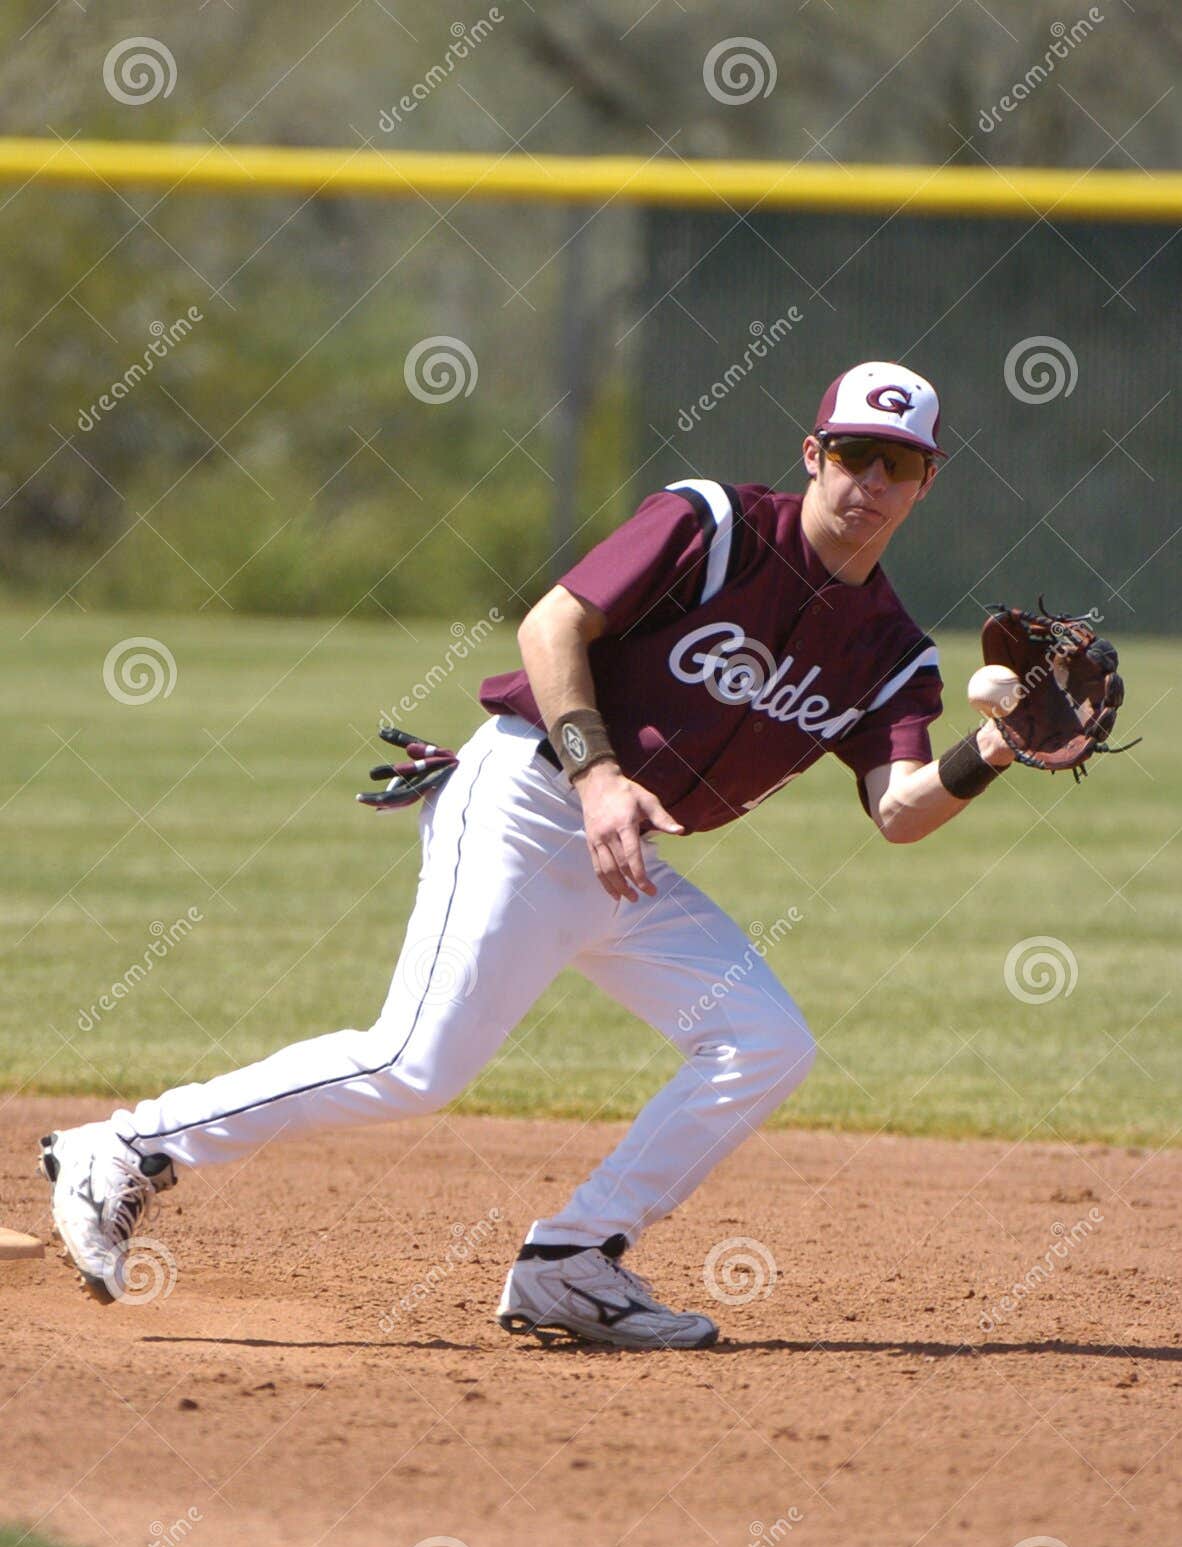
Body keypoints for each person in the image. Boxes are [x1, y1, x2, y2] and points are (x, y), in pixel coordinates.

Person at [40, 360, 1015, 1350]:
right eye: (853, 454)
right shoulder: (713, 526)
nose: (871, 482)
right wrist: (597, 777)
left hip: (623, 854)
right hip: (529, 791)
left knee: (766, 1041)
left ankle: (570, 1263)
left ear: (927, 480)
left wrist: (1000, 747)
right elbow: (553, 623)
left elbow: (897, 810)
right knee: (416, 1062)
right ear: (814, 455)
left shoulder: (890, 650)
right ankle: (122, 1148)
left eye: (898, 463)